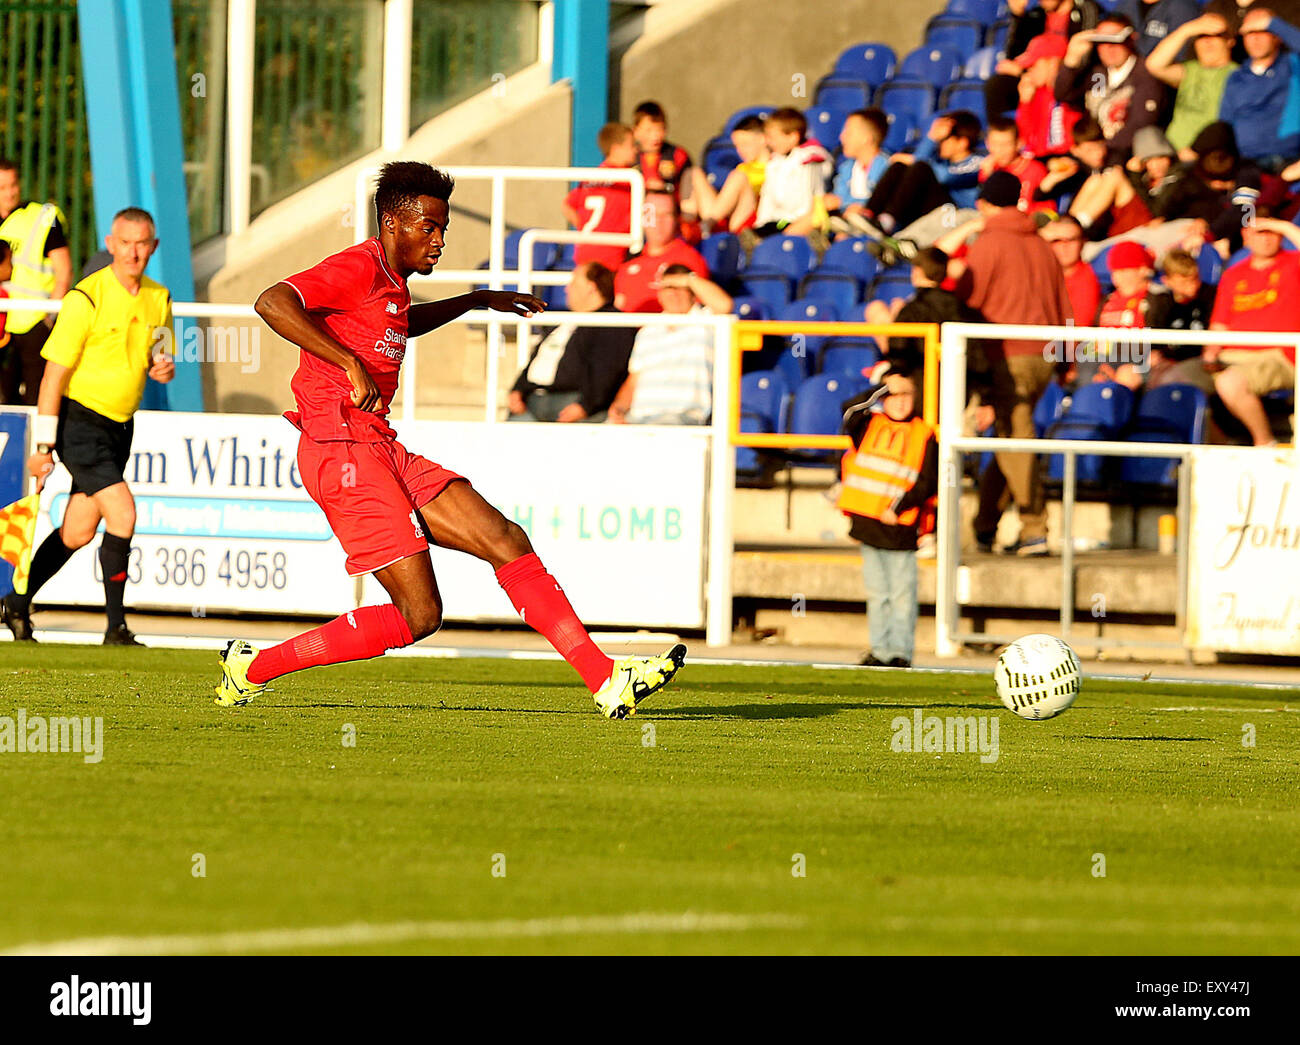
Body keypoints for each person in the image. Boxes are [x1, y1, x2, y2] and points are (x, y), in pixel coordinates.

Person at [221, 162, 685, 719]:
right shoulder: (356, 266)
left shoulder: (390, 283)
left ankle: (605, 677)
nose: (438, 240)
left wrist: (472, 300)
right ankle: (251, 668)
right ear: (392, 222)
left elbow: (397, 321)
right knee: (419, 615)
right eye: (428, 227)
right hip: (338, 447)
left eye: (443, 228)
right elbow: (272, 302)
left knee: (505, 537)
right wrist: (349, 363)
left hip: (378, 445)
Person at [0, 207, 175, 645]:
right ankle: (116, 627)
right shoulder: (86, 296)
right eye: (126, 243)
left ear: (153, 247)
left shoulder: (160, 296)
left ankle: (16, 603)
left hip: (120, 426)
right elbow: (52, 377)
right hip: (80, 422)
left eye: (143, 244)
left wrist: (163, 367)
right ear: (111, 245)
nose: (134, 252)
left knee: (78, 530)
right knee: (124, 513)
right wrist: (43, 446)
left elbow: (160, 352)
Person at [957, 171, 1074, 556]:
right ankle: (986, 526)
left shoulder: (988, 243)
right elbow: (1063, 303)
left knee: (1016, 443)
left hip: (1007, 356)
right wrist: (1065, 358)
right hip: (1044, 355)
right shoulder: (1041, 244)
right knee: (1011, 440)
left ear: (987, 203)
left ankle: (1035, 530)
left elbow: (967, 303)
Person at [837, 367, 939, 668]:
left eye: (905, 394)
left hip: (900, 528)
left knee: (902, 595)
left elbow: (926, 481)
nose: (899, 401)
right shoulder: (868, 424)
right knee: (878, 594)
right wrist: (881, 389)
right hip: (869, 525)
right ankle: (880, 651)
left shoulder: (924, 433)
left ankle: (899, 653)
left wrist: (895, 508)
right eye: (893, 395)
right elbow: (848, 409)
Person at [1206, 211, 1300, 445]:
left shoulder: (1293, 264)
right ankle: (1220, 445)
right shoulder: (1232, 275)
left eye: (1273, 233)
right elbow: (1219, 323)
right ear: (1246, 236)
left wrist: (1283, 226)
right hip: (1230, 355)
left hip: (1280, 356)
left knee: (1230, 383)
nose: (1267, 239)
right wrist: (1210, 352)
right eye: (1260, 232)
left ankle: (1264, 443)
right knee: (1173, 380)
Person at [507, 262, 636, 423]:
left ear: (591, 287)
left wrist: (585, 406)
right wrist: (517, 390)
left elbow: (607, 370)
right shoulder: (562, 321)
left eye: (574, 283)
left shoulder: (611, 322)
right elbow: (537, 359)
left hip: (571, 403)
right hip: (532, 400)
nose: (567, 289)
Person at [607, 264, 731, 425]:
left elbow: (725, 305)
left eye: (680, 288)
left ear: (693, 294)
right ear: (659, 294)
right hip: (639, 418)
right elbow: (634, 380)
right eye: (667, 288)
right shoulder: (647, 332)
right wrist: (619, 407)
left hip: (683, 417)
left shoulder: (707, 321)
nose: (673, 293)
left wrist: (688, 280)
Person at [0, 158, 73, 405]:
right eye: (2, 187)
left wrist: (48, 318)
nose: (10, 193)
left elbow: (64, 271)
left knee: (36, 397)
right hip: (2, 323)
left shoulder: (42, 218)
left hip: (34, 323)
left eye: (13, 185)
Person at [1055, 16, 1168, 163]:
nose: (1108, 49)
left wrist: (1098, 149)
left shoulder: (1145, 76)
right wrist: (1071, 60)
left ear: (1131, 39)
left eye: (1115, 41)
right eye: (1101, 42)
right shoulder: (1098, 74)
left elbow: (1139, 127)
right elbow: (1063, 95)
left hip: (1127, 156)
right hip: (1093, 152)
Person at [1217, 9, 1300, 172]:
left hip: (1288, 159)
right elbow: (1225, 122)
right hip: (1247, 162)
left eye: (1262, 31)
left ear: (1276, 36)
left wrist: (1272, 22)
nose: (1255, 38)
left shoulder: (1292, 65)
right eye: (1249, 32)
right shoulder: (1236, 77)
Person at [1145, 11, 1239, 153]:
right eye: (1201, 35)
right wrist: (1186, 30)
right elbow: (1154, 65)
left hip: (1209, 155)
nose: (1207, 41)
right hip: (1170, 151)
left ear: (1230, 41)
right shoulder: (1189, 70)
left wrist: (1196, 150)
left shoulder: (1239, 75)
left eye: (1216, 35)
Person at [614, 192, 708, 313]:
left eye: (666, 215)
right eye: (651, 215)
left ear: (676, 219)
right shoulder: (626, 266)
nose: (659, 221)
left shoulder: (690, 261)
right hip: (632, 330)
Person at [562, 122, 638, 271]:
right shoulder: (628, 179)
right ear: (616, 149)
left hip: (584, 251)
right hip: (611, 255)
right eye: (632, 145)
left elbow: (566, 205)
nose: (636, 150)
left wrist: (582, 225)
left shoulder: (592, 177)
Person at [749, 108, 832, 238]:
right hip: (780, 221)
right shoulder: (774, 163)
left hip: (799, 220)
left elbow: (809, 201)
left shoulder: (811, 160)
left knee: (778, 233)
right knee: (763, 231)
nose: (768, 142)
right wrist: (761, 224)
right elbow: (767, 198)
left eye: (773, 137)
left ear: (793, 137)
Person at [1144, 248, 1219, 391]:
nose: (1193, 285)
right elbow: (1154, 343)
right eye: (1184, 282)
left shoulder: (1210, 296)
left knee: (1166, 381)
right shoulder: (1161, 303)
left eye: (1195, 278)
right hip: (1167, 362)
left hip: (1199, 362)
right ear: (1167, 281)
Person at [694, 115, 768, 234]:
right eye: (737, 146)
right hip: (729, 216)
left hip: (753, 220)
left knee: (739, 177)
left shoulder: (774, 166)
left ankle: (704, 227)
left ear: (762, 139)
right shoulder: (742, 167)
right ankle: (692, 224)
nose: (740, 151)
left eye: (745, 144)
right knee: (695, 173)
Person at [824, 109, 891, 237]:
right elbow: (839, 195)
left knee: (844, 232)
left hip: (872, 227)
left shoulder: (888, 167)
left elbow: (879, 201)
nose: (841, 137)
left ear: (867, 139)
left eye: (848, 133)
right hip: (844, 220)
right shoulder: (846, 168)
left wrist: (846, 203)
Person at [1042, 215, 1102, 326]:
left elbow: (1077, 330)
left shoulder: (1087, 278)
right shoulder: (1043, 275)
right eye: (1057, 240)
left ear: (1083, 243)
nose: (1064, 246)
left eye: (1071, 240)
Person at [1115, 0, 1202, 56]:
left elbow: (1181, 55)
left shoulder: (1183, 8)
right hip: (1129, 74)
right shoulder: (1126, 5)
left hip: (1161, 77)